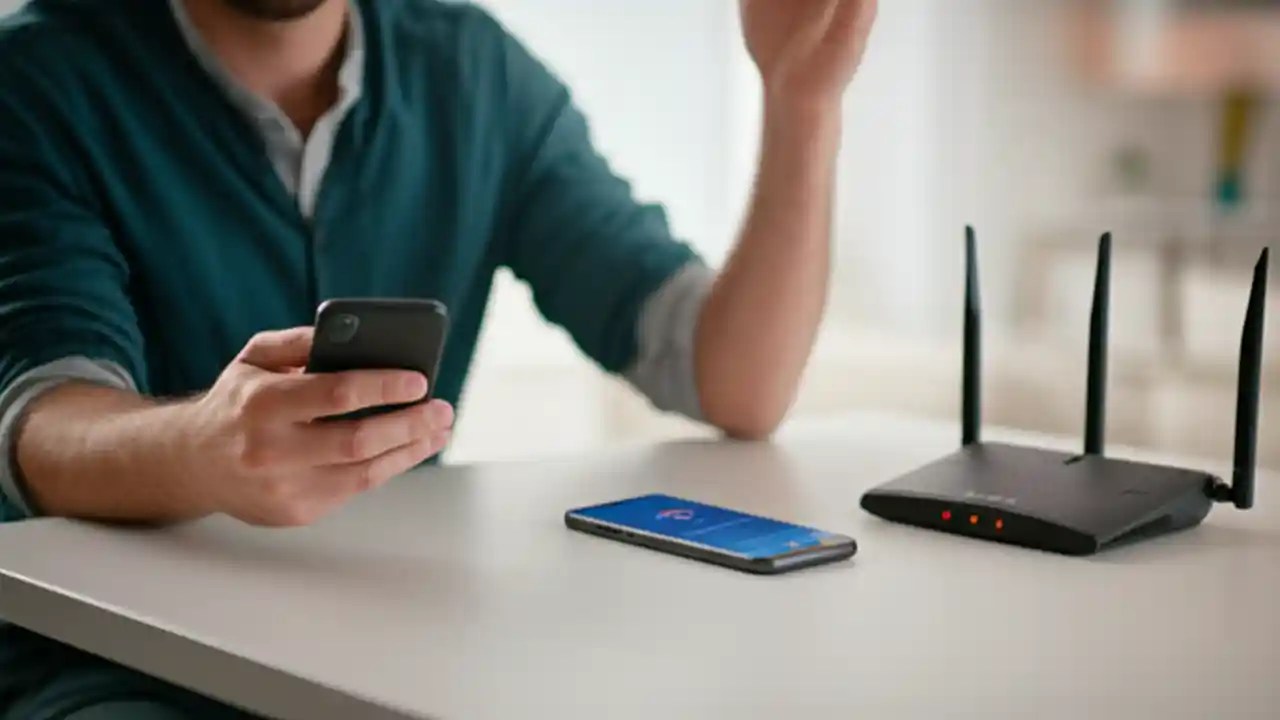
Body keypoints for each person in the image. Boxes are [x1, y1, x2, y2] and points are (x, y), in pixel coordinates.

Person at [0, 0, 877, 716]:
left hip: (387, 655)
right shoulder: (38, 78)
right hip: (108, 665)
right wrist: (201, 448)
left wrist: (801, 102)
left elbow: (736, 382)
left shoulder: (472, 71)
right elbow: (41, 417)